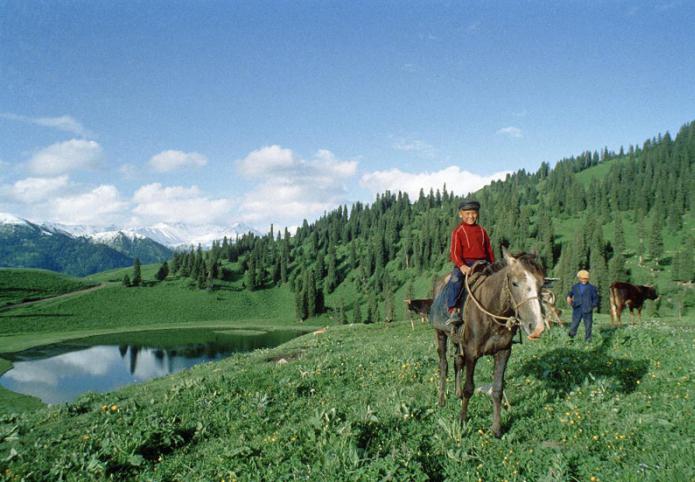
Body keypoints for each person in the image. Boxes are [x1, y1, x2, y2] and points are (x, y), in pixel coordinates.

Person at [446, 199, 495, 328]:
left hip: (483, 263)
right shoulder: (458, 231)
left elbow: (489, 250)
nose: (470, 216)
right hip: (465, 264)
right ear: (460, 214)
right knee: (455, 280)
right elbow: (455, 252)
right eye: (467, 213)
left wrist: (493, 265)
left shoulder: (482, 231)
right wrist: (461, 266)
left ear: (477, 214)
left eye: (473, 213)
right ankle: (453, 310)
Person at [566, 270, 599, 341]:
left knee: (588, 326)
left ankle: (588, 340)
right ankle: (571, 337)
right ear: (579, 278)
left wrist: (592, 306)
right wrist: (568, 297)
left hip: (587, 309)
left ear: (588, 279)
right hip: (577, 308)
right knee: (574, 324)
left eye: (586, 279)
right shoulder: (575, 287)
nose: (584, 280)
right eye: (582, 278)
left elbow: (596, 299)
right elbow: (570, 293)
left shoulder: (592, 288)